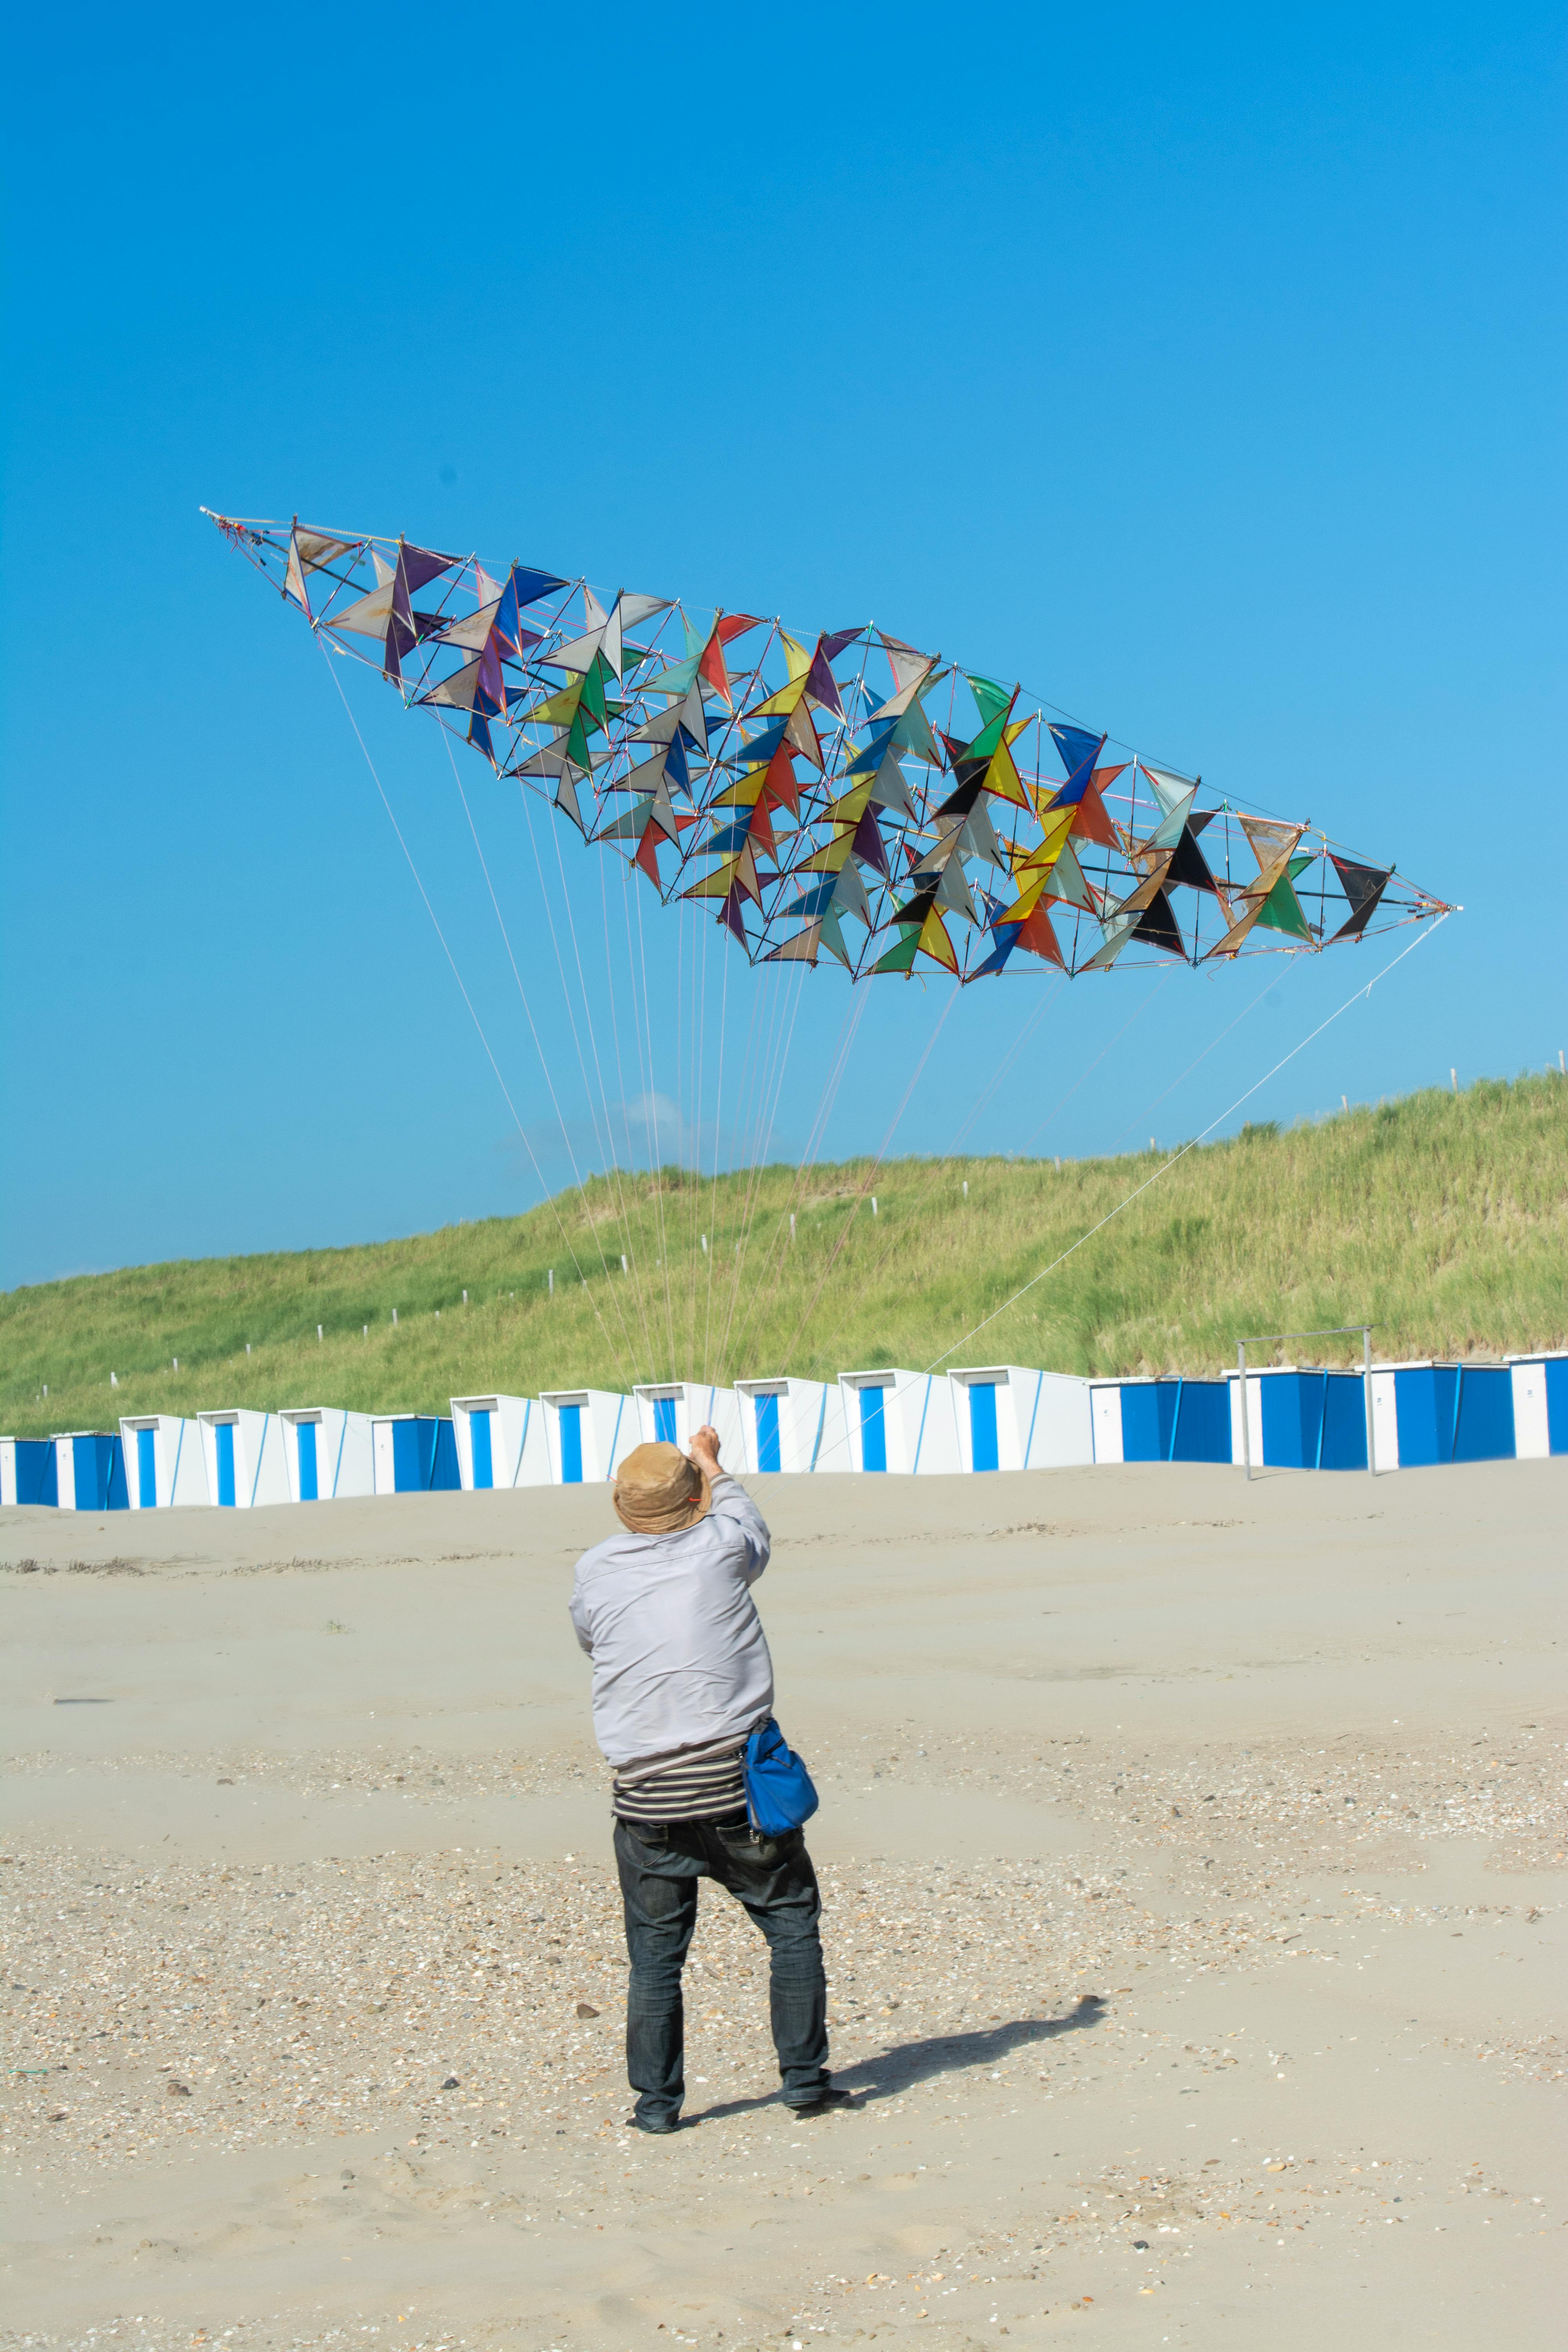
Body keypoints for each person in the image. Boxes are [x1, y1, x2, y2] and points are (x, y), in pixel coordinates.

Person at [568, 1422, 849, 2134]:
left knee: (656, 1960)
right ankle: (806, 2085)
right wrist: (713, 1466)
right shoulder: (721, 1545)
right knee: (791, 1924)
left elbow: (591, 1638)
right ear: (693, 1500)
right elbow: (749, 1527)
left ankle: (657, 2108)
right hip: (735, 1790)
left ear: (623, 1509)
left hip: (646, 1797)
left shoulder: (596, 1568)